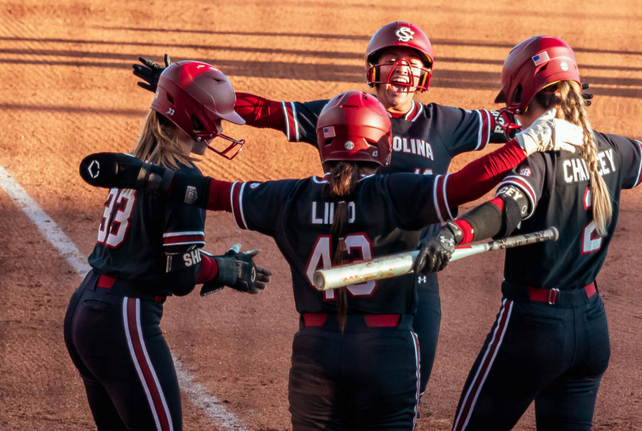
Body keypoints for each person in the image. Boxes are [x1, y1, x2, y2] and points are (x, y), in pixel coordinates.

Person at [130, 22, 594, 397]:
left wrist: (553, 95)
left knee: (404, 393)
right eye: (391, 60)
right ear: (373, 68)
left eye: (411, 63)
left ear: (425, 74)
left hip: (414, 278)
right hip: (342, 285)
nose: (400, 70)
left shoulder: (447, 122)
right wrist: (194, 94)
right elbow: (269, 111)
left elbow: (517, 119)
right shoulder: (342, 112)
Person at [78, 89, 586, 429]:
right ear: (381, 142)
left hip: (314, 352)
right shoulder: (399, 194)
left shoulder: (287, 198)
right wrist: (526, 142)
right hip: (388, 352)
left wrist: (154, 178)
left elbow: (210, 192)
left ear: (323, 141)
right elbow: (467, 183)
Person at [414, 35, 642, 431]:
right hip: (591, 328)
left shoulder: (540, 162)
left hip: (532, 330)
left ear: (522, 93)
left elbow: (503, 211)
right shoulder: (610, 149)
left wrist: (455, 232)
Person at [64, 60, 271, 431]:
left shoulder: (132, 163)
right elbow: (180, 278)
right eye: (215, 118)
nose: (220, 127)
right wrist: (222, 268)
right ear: (195, 120)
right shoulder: (183, 180)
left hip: (85, 308)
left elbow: (152, 253)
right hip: (123, 320)